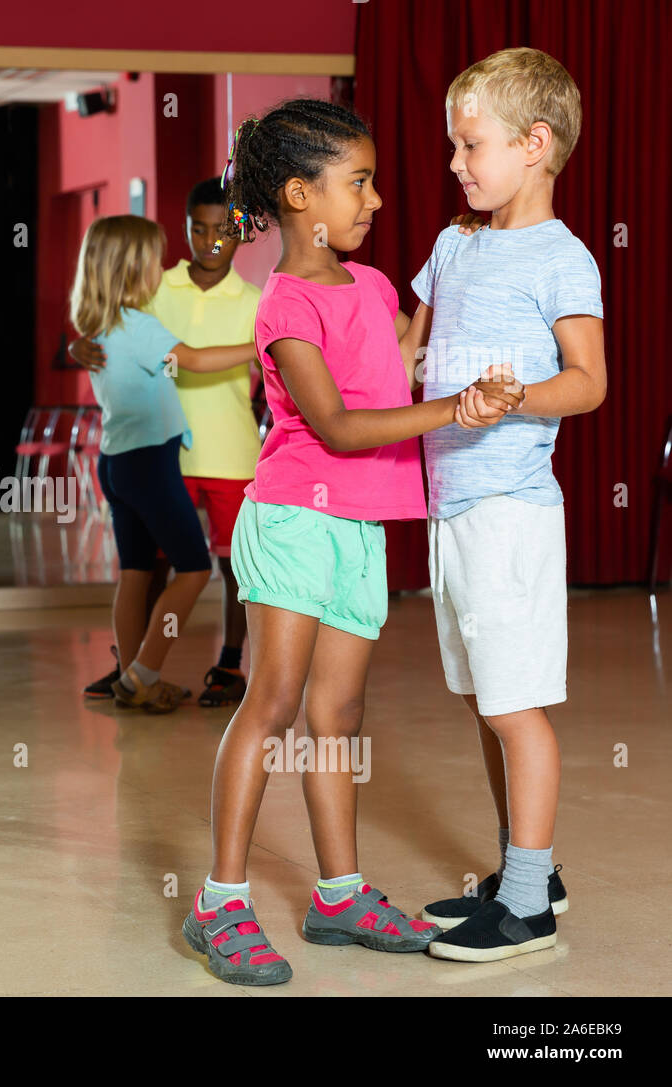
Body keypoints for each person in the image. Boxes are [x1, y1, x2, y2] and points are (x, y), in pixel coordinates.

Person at [180, 99, 523, 985]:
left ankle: (339, 893)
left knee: (337, 717)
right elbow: (336, 425)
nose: (373, 198)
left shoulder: (368, 285)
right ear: (300, 195)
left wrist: (438, 295)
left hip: (360, 529)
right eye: (357, 182)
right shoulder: (284, 305)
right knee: (276, 703)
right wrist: (451, 410)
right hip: (296, 520)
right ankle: (219, 901)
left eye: (371, 180)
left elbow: (395, 360)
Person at [411, 48, 605, 963]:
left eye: (470, 143)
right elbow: (412, 354)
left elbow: (589, 382)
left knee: (516, 707)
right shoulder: (455, 242)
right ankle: (528, 870)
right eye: (454, 143)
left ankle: (526, 905)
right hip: (452, 506)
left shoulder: (562, 258)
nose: (456, 161)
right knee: (489, 700)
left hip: (512, 511)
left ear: (535, 145)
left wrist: (514, 395)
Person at [71, 178, 263, 708]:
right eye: (196, 229)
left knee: (217, 568)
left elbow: (97, 326)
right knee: (175, 568)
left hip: (204, 455)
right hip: (161, 458)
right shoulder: (150, 298)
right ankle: (136, 673)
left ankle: (203, 667)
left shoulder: (257, 299)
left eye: (222, 230)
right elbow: (187, 356)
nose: (208, 240)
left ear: (240, 233)